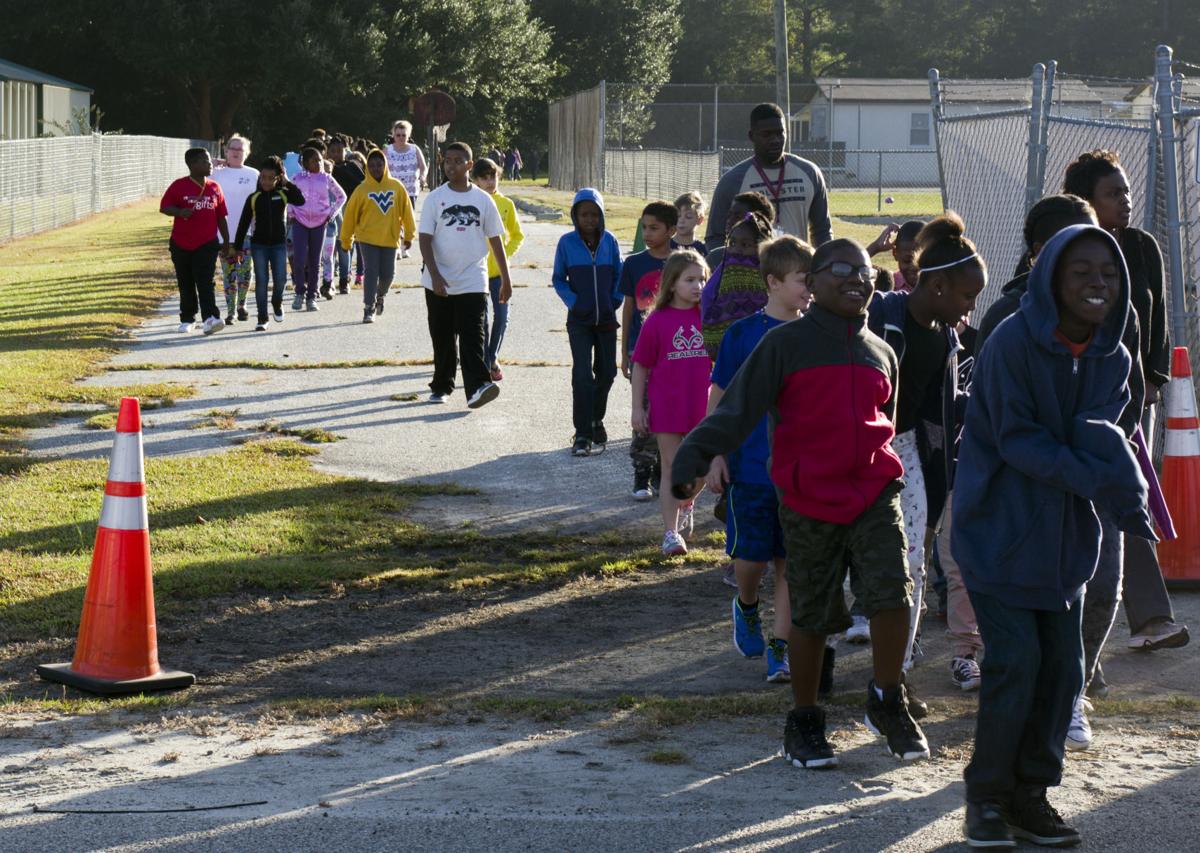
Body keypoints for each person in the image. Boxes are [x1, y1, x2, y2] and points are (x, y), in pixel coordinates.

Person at [673, 237, 929, 770]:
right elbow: (736, 410)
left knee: (891, 596)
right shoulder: (784, 345)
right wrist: (696, 453)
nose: (857, 278)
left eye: (865, 272)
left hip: (874, 495)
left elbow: (885, 426)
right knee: (811, 614)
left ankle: (887, 698)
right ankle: (806, 721)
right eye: (841, 268)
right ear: (811, 283)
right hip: (809, 500)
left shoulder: (881, 352)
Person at [954, 224, 1154, 849]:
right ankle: (985, 799)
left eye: (1109, 274)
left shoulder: (1113, 355)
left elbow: (1103, 433)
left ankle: (1029, 797)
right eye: (1081, 273)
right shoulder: (1012, 341)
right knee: (1016, 664)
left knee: (1062, 670)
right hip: (998, 533)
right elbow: (1018, 441)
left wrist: (1123, 492)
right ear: (1051, 280)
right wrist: (1099, 472)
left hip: (1065, 545)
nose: (1098, 284)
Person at [1061, 149, 1188, 657]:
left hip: (1134, 398)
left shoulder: (1140, 246)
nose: (1126, 202)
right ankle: (1116, 619)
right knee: (1111, 505)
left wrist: (1153, 379)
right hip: (1083, 400)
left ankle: (1149, 619)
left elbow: (1153, 318)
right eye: (1114, 194)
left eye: (1128, 192)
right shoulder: (1066, 252)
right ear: (1085, 201)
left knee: (1130, 499)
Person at [867, 213, 985, 679]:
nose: (969, 310)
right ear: (937, 288)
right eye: (967, 297)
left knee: (913, 555)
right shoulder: (881, 314)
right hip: (860, 447)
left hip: (909, 448)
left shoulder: (949, 338)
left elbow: (946, 403)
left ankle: (900, 657)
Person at [707, 235, 813, 683]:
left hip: (801, 476)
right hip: (749, 468)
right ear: (773, 282)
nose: (811, 289)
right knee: (750, 558)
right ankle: (747, 605)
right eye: (803, 280)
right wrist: (712, 453)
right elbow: (719, 394)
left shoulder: (817, 334)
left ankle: (780, 649)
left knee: (791, 565)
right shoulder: (742, 335)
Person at [418, 142, 511, 409]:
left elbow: (496, 241)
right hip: (438, 281)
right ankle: (441, 386)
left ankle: (478, 387)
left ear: (469, 165)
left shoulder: (483, 200)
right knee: (443, 337)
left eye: (458, 161)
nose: (451, 165)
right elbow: (425, 239)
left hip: (473, 279)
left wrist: (506, 278)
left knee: (473, 337)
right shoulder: (435, 198)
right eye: (448, 160)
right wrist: (434, 275)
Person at [632, 251, 711, 557]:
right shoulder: (657, 321)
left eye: (702, 279)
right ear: (672, 283)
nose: (698, 286)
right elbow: (640, 366)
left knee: (704, 466)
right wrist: (637, 408)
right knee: (670, 468)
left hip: (702, 407)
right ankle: (670, 533)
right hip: (667, 407)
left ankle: (687, 500)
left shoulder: (708, 317)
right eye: (690, 279)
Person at [552, 188, 624, 456]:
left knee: (607, 373)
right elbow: (559, 278)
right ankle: (582, 434)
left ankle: (596, 418)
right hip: (579, 321)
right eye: (584, 214)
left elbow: (619, 273)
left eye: (595, 214)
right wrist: (574, 301)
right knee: (582, 374)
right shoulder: (566, 243)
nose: (590, 219)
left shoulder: (611, 242)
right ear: (575, 216)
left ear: (602, 215)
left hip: (606, 318)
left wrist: (614, 299)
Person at [705, 103, 832, 252]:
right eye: (767, 134)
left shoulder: (810, 173)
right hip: (753, 271)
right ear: (752, 136)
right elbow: (715, 237)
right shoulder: (732, 181)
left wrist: (822, 266)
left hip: (797, 271)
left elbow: (822, 231)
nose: (775, 140)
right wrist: (732, 267)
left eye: (780, 133)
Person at [620, 202, 677, 490]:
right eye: (644, 227)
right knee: (643, 412)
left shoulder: (685, 261)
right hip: (642, 351)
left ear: (672, 230)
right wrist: (624, 351)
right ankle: (642, 473)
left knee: (670, 412)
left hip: (677, 354)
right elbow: (629, 308)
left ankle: (662, 470)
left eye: (654, 228)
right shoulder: (633, 263)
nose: (647, 233)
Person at [159, 147, 230, 336]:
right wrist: (180, 212)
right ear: (192, 165)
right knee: (186, 282)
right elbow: (164, 207)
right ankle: (187, 319)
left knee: (206, 281)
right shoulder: (178, 186)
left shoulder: (215, 187)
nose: (210, 164)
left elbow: (222, 216)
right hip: (181, 243)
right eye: (205, 161)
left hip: (207, 243)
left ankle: (210, 318)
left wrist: (226, 242)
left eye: (209, 161)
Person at [340, 149, 415, 324]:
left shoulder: (396, 187)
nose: (376, 168)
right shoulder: (362, 189)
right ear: (367, 167)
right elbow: (350, 216)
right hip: (367, 239)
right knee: (371, 272)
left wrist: (409, 235)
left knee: (388, 275)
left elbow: (407, 212)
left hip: (390, 238)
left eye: (379, 165)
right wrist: (346, 239)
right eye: (372, 165)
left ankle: (380, 295)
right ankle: (369, 307)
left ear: (385, 165)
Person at [233, 155, 304, 331]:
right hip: (259, 246)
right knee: (262, 281)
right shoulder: (254, 197)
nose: (266, 181)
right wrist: (238, 248)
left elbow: (300, 200)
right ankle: (262, 318)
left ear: (278, 178)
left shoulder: (283, 194)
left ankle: (277, 302)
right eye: (263, 177)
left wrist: (287, 182)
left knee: (280, 279)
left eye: (270, 178)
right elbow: (243, 224)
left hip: (279, 245)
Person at [471, 158, 525, 380]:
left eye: (493, 176)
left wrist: (504, 253)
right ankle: (485, 362)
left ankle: (492, 356)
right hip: (476, 274)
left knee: (502, 317)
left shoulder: (506, 204)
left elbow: (517, 235)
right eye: (484, 177)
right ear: (475, 180)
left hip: (499, 275)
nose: (490, 181)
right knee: (481, 321)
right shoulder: (471, 203)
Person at [700, 212, 775, 360]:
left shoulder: (770, 274)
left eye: (745, 245)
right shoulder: (724, 268)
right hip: (728, 351)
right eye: (732, 243)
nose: (736, 250)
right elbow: (707, 295)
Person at [289, 146, 347, 312]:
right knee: (299, 259)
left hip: (320, 224)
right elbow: (289, 196)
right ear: (306, 163)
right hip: (300, 223)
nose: (319, 163)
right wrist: (291, 214)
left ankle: (311, 296)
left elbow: (342, 196)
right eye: (314, 160)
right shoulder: (297, 178)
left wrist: (331, 213)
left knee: (315, 261)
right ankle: (300, 291)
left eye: (320, 159)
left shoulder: (327, 178)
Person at [211, 134, 259, 325]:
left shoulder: (253, 174)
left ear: (246, 153)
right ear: (226, 151)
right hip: (224, 233)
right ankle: (230, 311)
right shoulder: (216, 173)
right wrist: (214, 164)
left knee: (246, 271)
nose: (236, 152)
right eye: (233, 149)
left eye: (240, 149)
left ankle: (242, 305)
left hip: (247, 232)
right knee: (229, 272)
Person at [329, 134, 366, 295]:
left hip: (348, 210)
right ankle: (327, 279)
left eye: (339, 150)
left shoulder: (351, 166)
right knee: (329, 248)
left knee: (345, 246)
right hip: (329, 211)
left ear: (346, 150)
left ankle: (345, 279)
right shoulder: (325, 168)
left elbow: (361, 183)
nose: (336, 154)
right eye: (333, 151)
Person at [386, 120, 429, 254]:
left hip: (411, 190)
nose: (401, 138)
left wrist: (422, 176)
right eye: (398, 135)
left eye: (403, 135)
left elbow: (423, 167)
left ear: (408, 135)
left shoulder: (414, 149)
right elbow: (381, 168)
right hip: (393, 190)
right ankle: (397, 246)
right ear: (393, 135)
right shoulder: (388, 150)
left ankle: (405, 245)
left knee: (407, 219)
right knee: (395, 218)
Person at [704, 191, 775, 271]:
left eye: (738, 216)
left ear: (760, 222)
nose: (729, 220)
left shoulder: (775, 264)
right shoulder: (716, 259)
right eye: (729, 215)